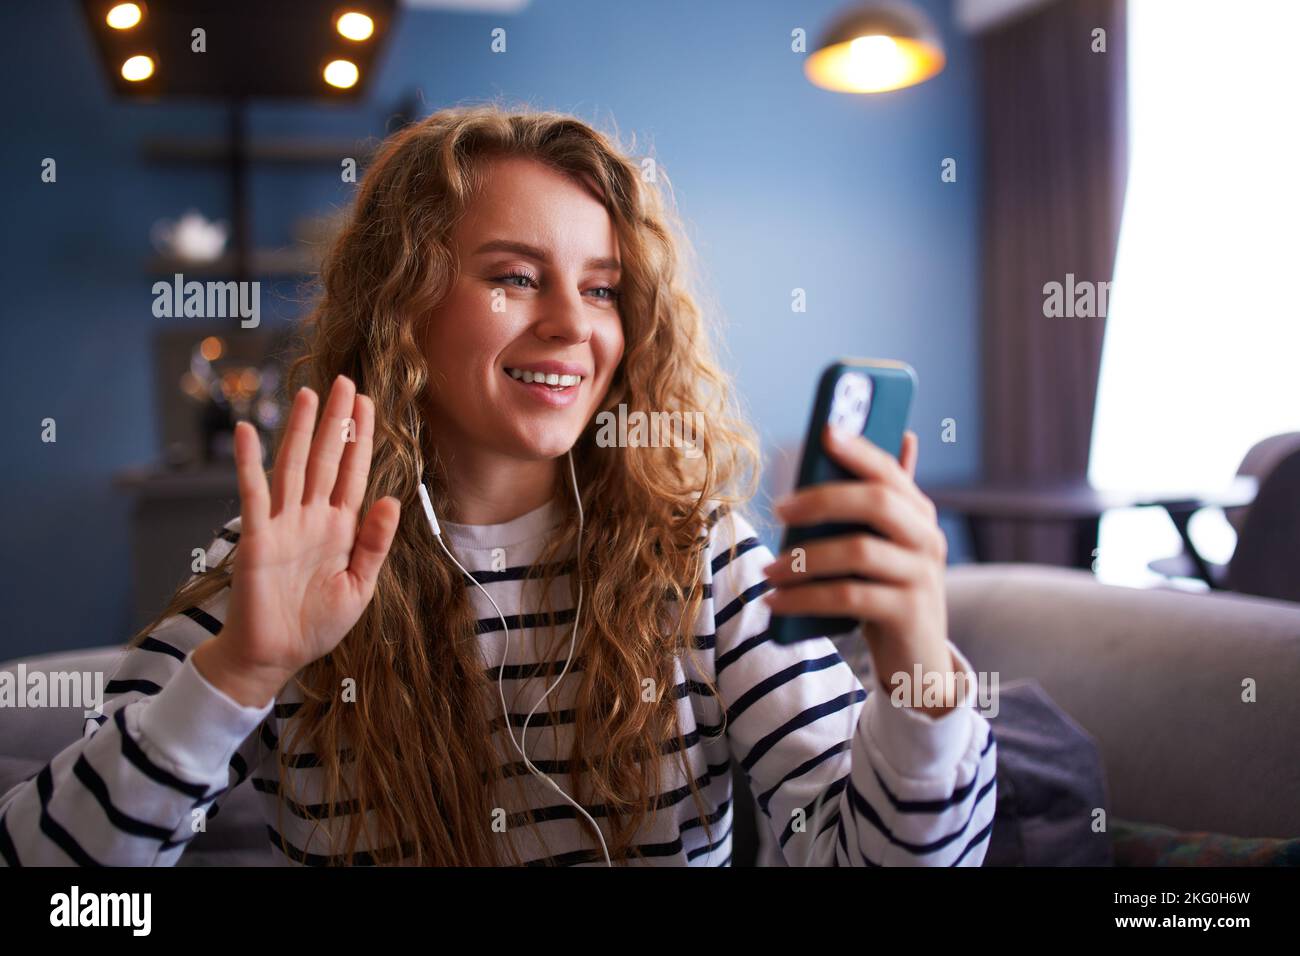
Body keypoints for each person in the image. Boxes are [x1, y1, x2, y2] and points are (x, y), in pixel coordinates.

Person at [0, 104, 995, 866]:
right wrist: (242, 672)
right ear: (404, 306)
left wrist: (915, 668)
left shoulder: (705, 559)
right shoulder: (279, 560)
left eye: (603, 287)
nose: (573, 323)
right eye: (515, 276)